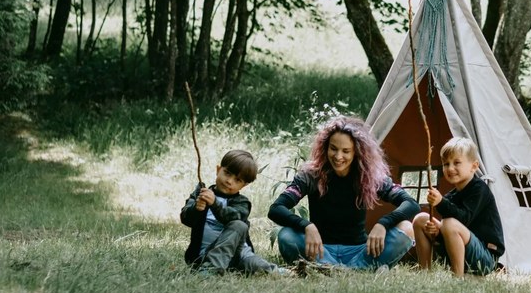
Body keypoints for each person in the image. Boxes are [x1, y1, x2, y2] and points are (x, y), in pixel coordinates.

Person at [269, 116, 419, 271]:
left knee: (406, 228)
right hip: (320, 250)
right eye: (333, 148)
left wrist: (384, 223)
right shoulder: (311, 176)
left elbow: (410, 204)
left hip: (360, 252)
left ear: (357, 152)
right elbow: (276, 208)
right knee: (286, 235)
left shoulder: (370, 177)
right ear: (325, 147)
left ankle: (333, 270)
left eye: (346, 151)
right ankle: (358, 271)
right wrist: (307, 225)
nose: (338, 156)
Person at [180, 149, 287, 276]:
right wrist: (196, 209)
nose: (229, 181)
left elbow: (233, 218)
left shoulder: (242, 203)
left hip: (238, 257)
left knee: (256, 264)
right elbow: (186, 219)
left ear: (244, 185)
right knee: (238, 229)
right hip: (204, 256)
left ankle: (286, 272)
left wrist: (214, 204)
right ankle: (210, 268)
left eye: (237, 180)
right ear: (218, 170)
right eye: (227, 173)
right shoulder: (201, 193)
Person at [412, 137, 505, 276]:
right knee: (421, 219)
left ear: (474, 166)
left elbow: (463, 219)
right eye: (446, 164)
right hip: (460, 251)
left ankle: (457, 278)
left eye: (457, 163)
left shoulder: (479, 189)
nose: (450, 168)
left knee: (449, 223)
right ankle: (425, 273)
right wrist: (436, 233)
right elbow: (450, 232)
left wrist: (441, 202)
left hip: (485, 259)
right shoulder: (451, 196)